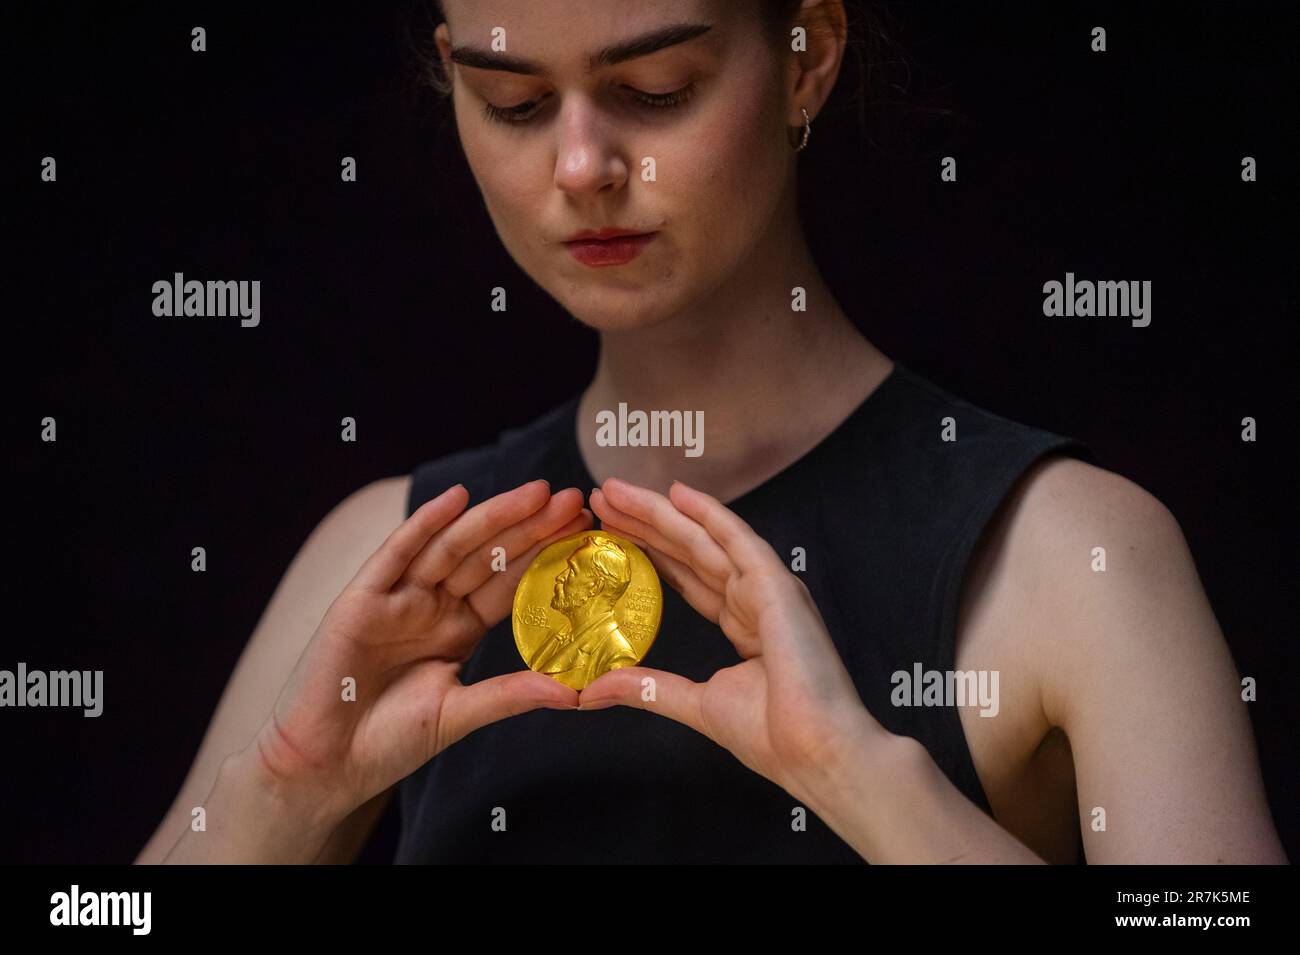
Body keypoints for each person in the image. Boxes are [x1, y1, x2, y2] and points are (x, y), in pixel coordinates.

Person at [136, 0, 1288, 864]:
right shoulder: (379, 555)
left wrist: (873, 785)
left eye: (654, 89)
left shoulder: (1074, 554)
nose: (580, 167)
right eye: (513, 103)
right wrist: (278, 798)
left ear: (808, 57)